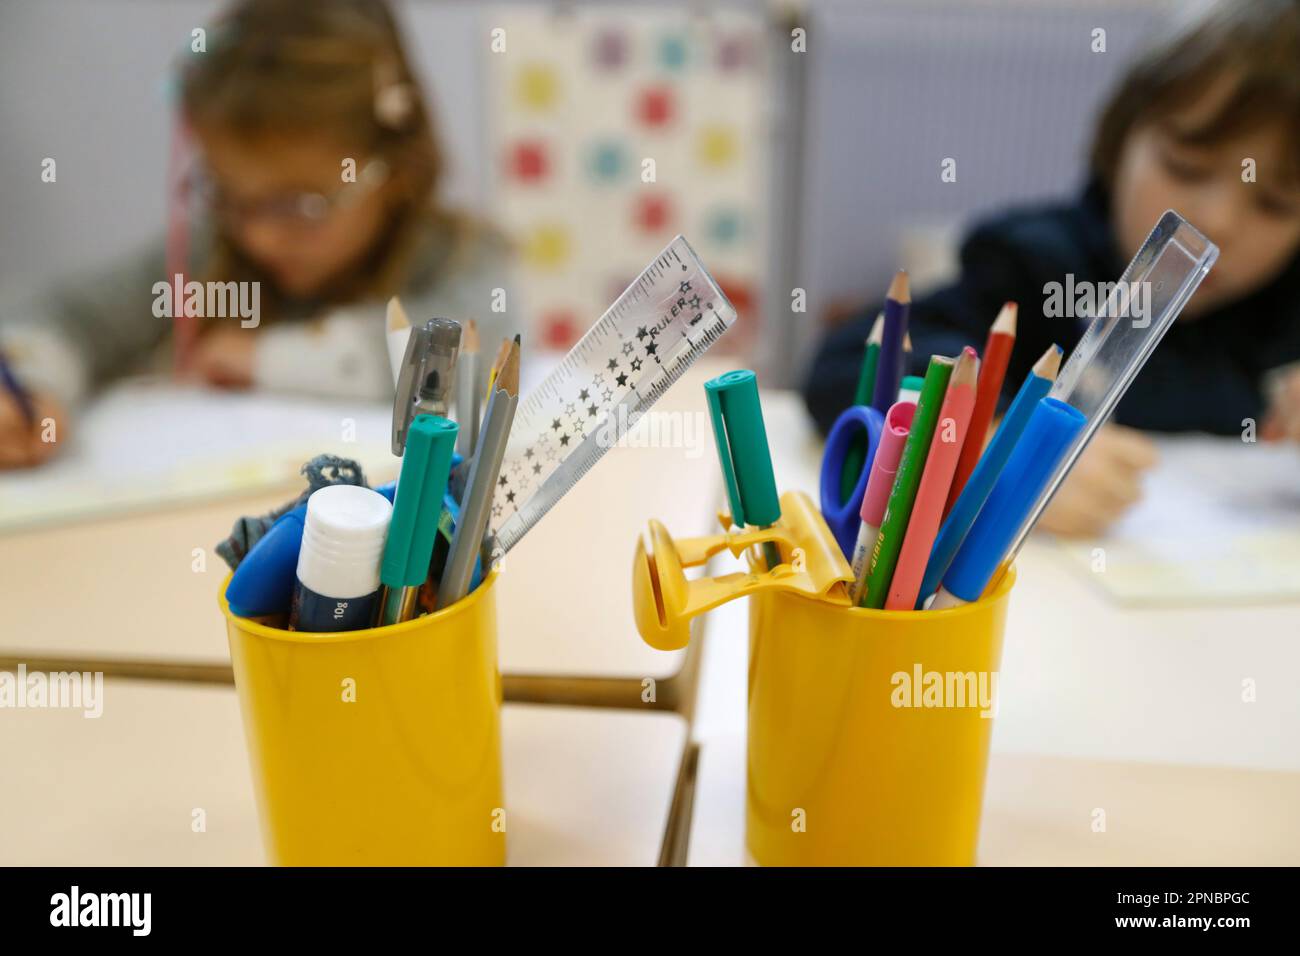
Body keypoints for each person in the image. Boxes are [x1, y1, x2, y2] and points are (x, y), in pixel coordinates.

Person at [804, 0, 1300, 537]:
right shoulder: (1035, 262)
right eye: (1186, 168)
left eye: (1274, 203)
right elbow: (849, 363)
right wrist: (996, 454)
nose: (1218, 221)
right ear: (1117, 144)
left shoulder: (1285, 305)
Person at [0, 0, 514, 469]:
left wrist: (264, 359)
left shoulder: (452, 255)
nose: (261, 237)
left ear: (396, 171)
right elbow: (70, 318)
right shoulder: (209, 256)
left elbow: (463, 356)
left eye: (299, 205)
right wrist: (33, 392)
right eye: (228, 196)